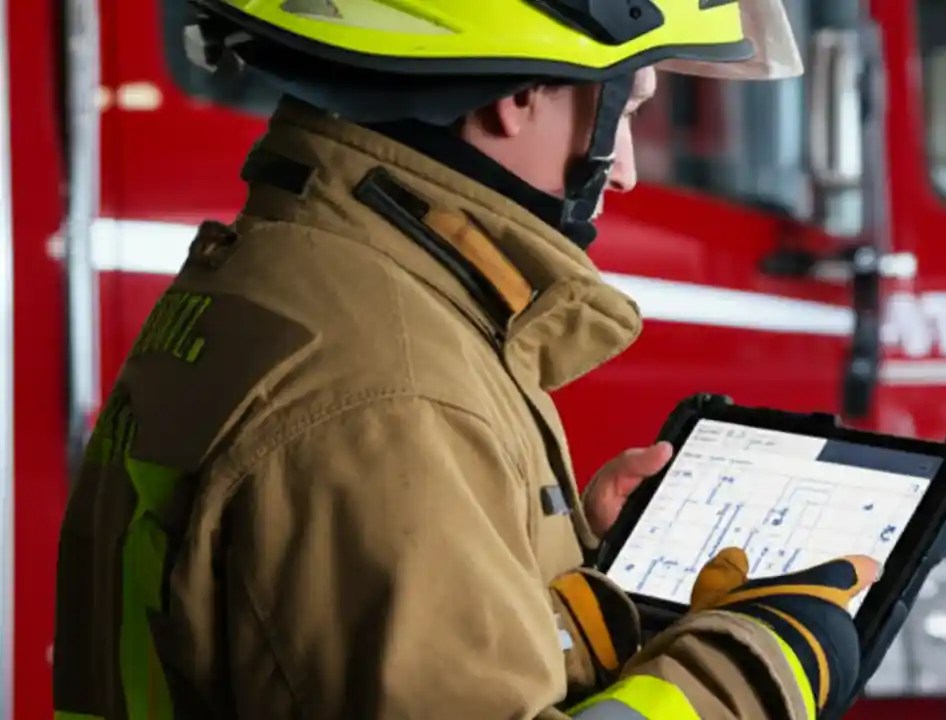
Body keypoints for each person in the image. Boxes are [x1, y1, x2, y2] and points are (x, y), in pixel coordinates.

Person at [52, 1, 880, 718]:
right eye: (627, 113)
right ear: (520, 94)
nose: (623, 173)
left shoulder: (293, 281)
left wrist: (547, 562)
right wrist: (757, 667)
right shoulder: (389, 395)